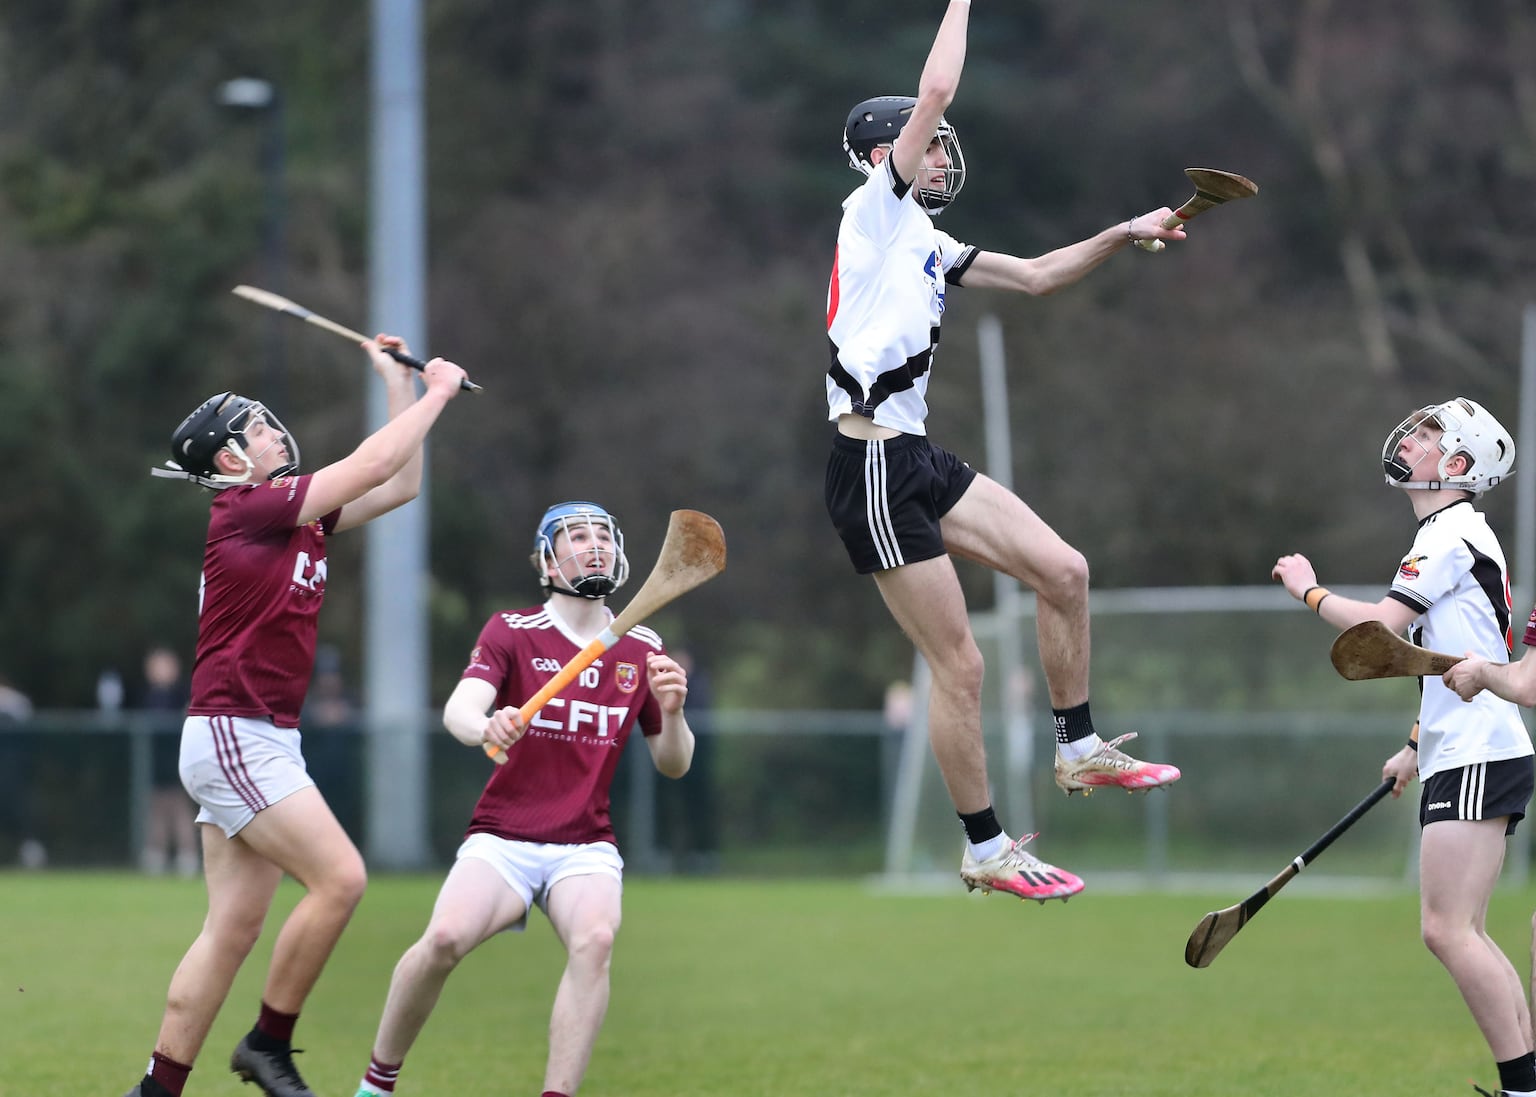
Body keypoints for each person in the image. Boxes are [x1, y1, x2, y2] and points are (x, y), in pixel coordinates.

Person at [823, 0, 1183, 902]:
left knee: (1065, 570)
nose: (943, 152)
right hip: (871, 466)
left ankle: (1078, 747)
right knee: (963, 667)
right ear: (886, 153)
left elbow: (1035, 276)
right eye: (929, 143)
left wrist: (1122, 232)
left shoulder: (927, 241)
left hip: (918, 456)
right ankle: (984, 847)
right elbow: (937, 84)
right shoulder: (874, 210)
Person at [122, 336, 469, 1097]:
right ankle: (267, 1044)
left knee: (232, 930)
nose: (273, 431)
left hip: (258, 735)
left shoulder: (295, 516)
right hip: (234, 732)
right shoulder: (249, 508)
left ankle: (156, 1090)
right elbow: (374, 463)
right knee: (341, 878)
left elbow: (400, 482)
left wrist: (393, 383)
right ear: (226, 463)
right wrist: (438, 390)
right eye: (254, 430)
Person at [352, 501, 694, 1097]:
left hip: (584, 841)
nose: (595, 547)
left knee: (596, 941)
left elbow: (674, 763)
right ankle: (377, 1083)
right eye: (577, 537)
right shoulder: (512, 630)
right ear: (546, 560)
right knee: (442, 940)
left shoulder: (642, 646)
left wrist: (673, 711)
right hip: (503, 836)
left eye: (603, 538)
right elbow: (460, 708)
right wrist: (487, 725)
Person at [1272, 397, 1535, 1097]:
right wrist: (1416, 744)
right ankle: (1528, 1084)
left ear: (1454, 465)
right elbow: (1440, 658)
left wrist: (1308, 590)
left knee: (1447, 930)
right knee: (1464, 928)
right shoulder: (1450, 534)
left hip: (1481, 749)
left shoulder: (1448, 533)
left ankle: (1523, 1090)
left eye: (1426, 436)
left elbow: (1378, 631)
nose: (1410, 441)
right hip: (1466, 747)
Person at [134, 646, 198, 877]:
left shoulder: (183, 693)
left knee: (180, 807)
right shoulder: (146, 695)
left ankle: (187, 855)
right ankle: (156, 854)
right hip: (154, 760)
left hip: (179, 757)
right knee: (157, 807)